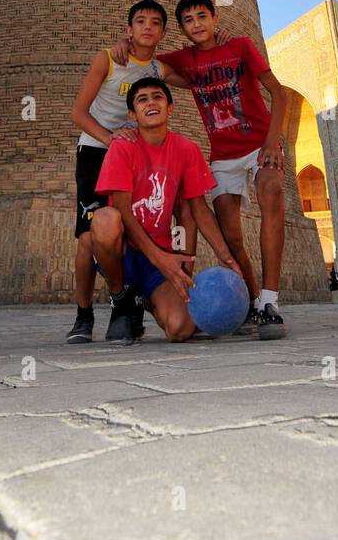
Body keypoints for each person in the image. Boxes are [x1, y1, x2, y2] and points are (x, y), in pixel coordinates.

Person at [112, 0, 289, 339]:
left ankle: (270, 301)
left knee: (271, 188)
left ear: (215, 20)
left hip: (259, 145)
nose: (197, 24)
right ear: (182, 29)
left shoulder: (240, 46)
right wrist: (126, 43)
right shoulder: (185, 60)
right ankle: (252, 301)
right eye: (189, 20)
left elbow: (278, 93)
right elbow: (146, 61)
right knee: (231, 234)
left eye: (202, 17)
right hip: (223, 154)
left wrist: (272, 141)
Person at [66, 0, 194, 344]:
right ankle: (84, 315)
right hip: (96, 150)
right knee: (89, 237)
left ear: (163, 33)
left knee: (130, 223)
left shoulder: (158, 69)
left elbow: (196, 75)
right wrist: (109, 138)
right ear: (129, 29)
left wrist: (213, 44)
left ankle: (138, 298)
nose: (147, 27)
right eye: (140, 21)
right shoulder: (108, 59)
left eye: (155, 22)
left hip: (133, 158)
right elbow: (78, 112)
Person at [90, 78, 243, 345]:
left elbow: (198, 210)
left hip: (159, 260)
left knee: (181, 329)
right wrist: (160, 257)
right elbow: (124, 211)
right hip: (124, 253)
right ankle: (122, 300)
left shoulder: (186, 149)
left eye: (157, 97)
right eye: (142, 99)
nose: (151, 102)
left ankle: (148, 299)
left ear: (170, 107)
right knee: (105, 219)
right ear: (132, 114)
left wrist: (225, 255)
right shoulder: (122, 146)